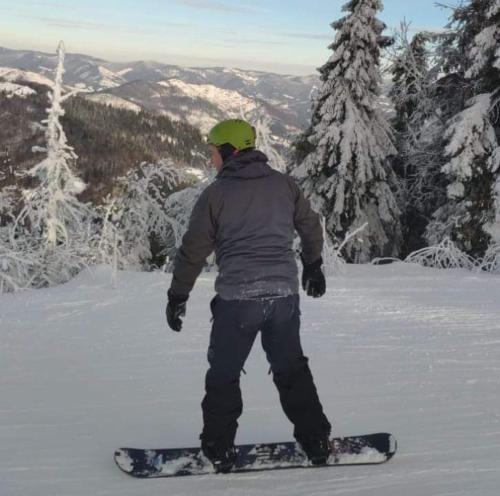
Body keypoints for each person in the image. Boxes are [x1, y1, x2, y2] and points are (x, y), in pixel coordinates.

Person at [166, 119, 331, 473]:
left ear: (230, 151)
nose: (211, 159)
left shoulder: (216, 195)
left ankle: (218, 450)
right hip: (283, 298)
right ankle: (316, 441)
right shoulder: (285, 185)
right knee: (291, 370)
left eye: (213, 152)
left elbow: (193, 251)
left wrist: (178, 295)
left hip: (238, 302)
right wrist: (313, 264)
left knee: (223, 374)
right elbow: (310, 225)